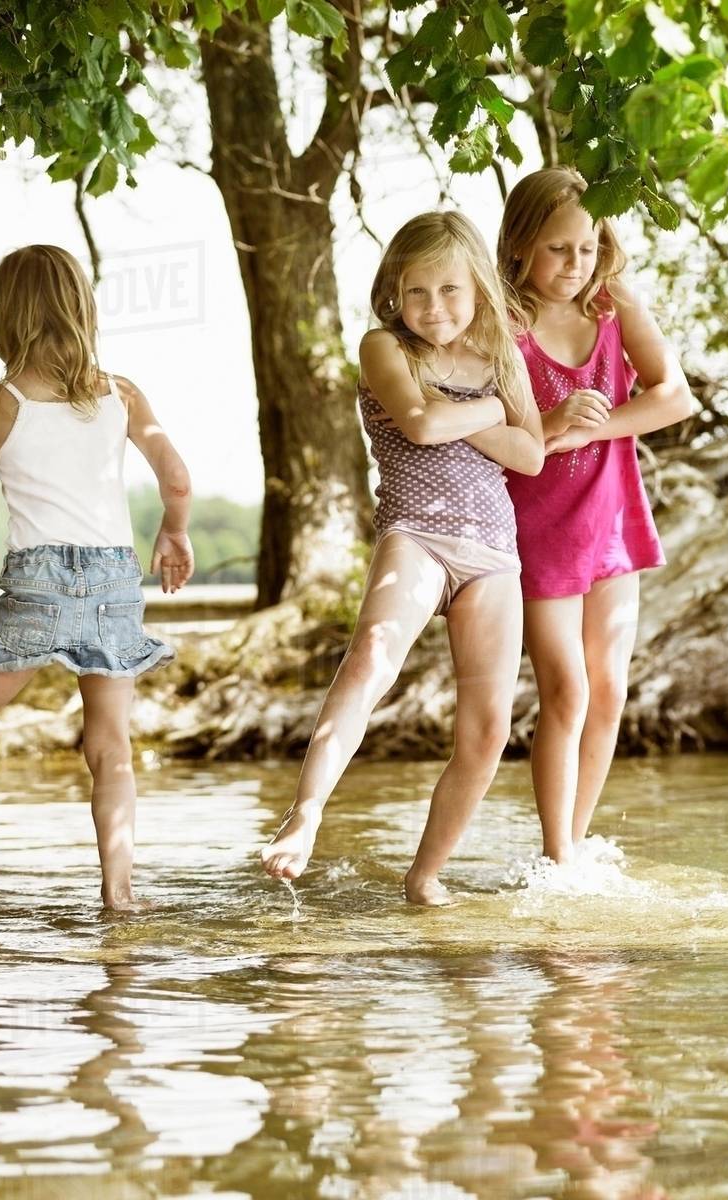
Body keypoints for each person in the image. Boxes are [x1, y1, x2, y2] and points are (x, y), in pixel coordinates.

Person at [0, 244, 194, 914]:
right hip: (117, 581)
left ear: (3, 319)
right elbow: (175, 477)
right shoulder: (121, 394)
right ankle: (120, 892)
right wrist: (173, 531)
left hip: (39, 583)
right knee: (110, 743)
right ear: (81, 309)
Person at [261, 211, 544, 904]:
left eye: (450, 291)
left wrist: (467, 413)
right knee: (371, 660)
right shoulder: (383, 347)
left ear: (478, 288)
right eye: (417, 293)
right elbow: (419, 425)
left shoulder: (502, 356)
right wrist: (490, 415)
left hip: (493, 553)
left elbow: (533, 455)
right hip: (415, 536)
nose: (434, 308)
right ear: (393, 291)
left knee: (489, 727)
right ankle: (305, 815)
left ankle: (425, 876)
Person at [497, 167, 695, 865]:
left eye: (586, 248)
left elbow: (676, 398)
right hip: (539, 528)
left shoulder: (613, 306)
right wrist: (552, 426)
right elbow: (496, 436)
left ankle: (572, 845)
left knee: (608, 688)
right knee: (565, 687)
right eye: (557, 249)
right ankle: (555, 856)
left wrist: (596, 427)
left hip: (611, 519)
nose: (575, 264)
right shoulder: (502, 324)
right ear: (520, 246)